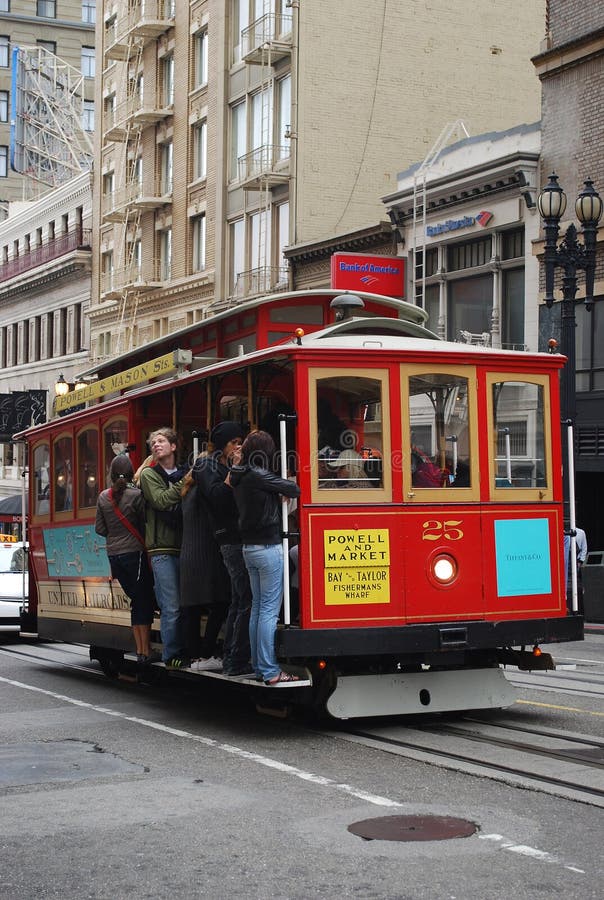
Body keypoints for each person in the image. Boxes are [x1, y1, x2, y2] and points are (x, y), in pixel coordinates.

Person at [230, 430, 300, 685]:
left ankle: (260, 666)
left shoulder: (239, 474)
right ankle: (270, 670)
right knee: (269, 611)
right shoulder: (258, 475)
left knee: (259, 608)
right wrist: (277, 490)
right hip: (269, 547)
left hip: (249, 548)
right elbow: (294, 488)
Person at [194, 422, 253, 676]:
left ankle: (233, 655)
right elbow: (217, 497)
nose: (238, 446)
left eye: (241, 441)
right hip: (228, 538)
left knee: (240, 598)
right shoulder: (206, 466)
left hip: (241, 535)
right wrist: (236, 470)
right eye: (234, 442)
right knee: (243, 598)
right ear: (222, 446)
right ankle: (234, 657)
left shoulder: (227, 465)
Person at [95, 455, 155, 665]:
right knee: (143, 600)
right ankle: (144, 650)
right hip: (134, 553)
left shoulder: (103, 497)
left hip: (114, 556)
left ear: (111, 474)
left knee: (135, 600)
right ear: (131, 473)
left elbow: (100, 529)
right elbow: (144, 523)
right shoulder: (137, 495)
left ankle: (141, 650)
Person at [139, 427, 188, 668]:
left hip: (184, 545)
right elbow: (159, 500)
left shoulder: (182, 472)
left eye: (161, 441)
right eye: (153, 443)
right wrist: (184, 485)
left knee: (186, 603)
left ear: (173, 446)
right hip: (161, 549)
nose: (156, 445)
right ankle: (171, 655)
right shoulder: (149, 475)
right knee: (171, 606)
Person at [179, 465, 230, 670]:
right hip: (206, 554)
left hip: (188, 555)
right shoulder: (203, 492)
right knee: (221, 603)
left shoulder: (187, 492)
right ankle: (206, 653)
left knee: (192, 607)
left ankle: (194, 656)